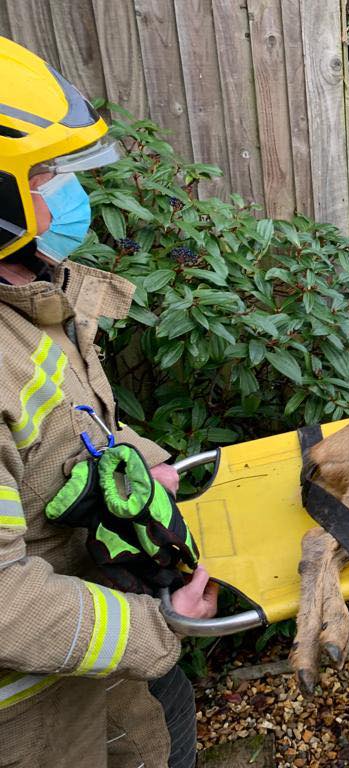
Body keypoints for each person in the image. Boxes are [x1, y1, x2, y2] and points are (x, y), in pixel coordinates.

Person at [0, 37, 218, 766]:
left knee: (170, 719)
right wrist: (155, 623)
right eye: (48, 172)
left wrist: (139, 462)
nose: (67, 190)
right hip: (31, 721)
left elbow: (65, 427)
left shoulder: (24, 291)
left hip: (87, 668)